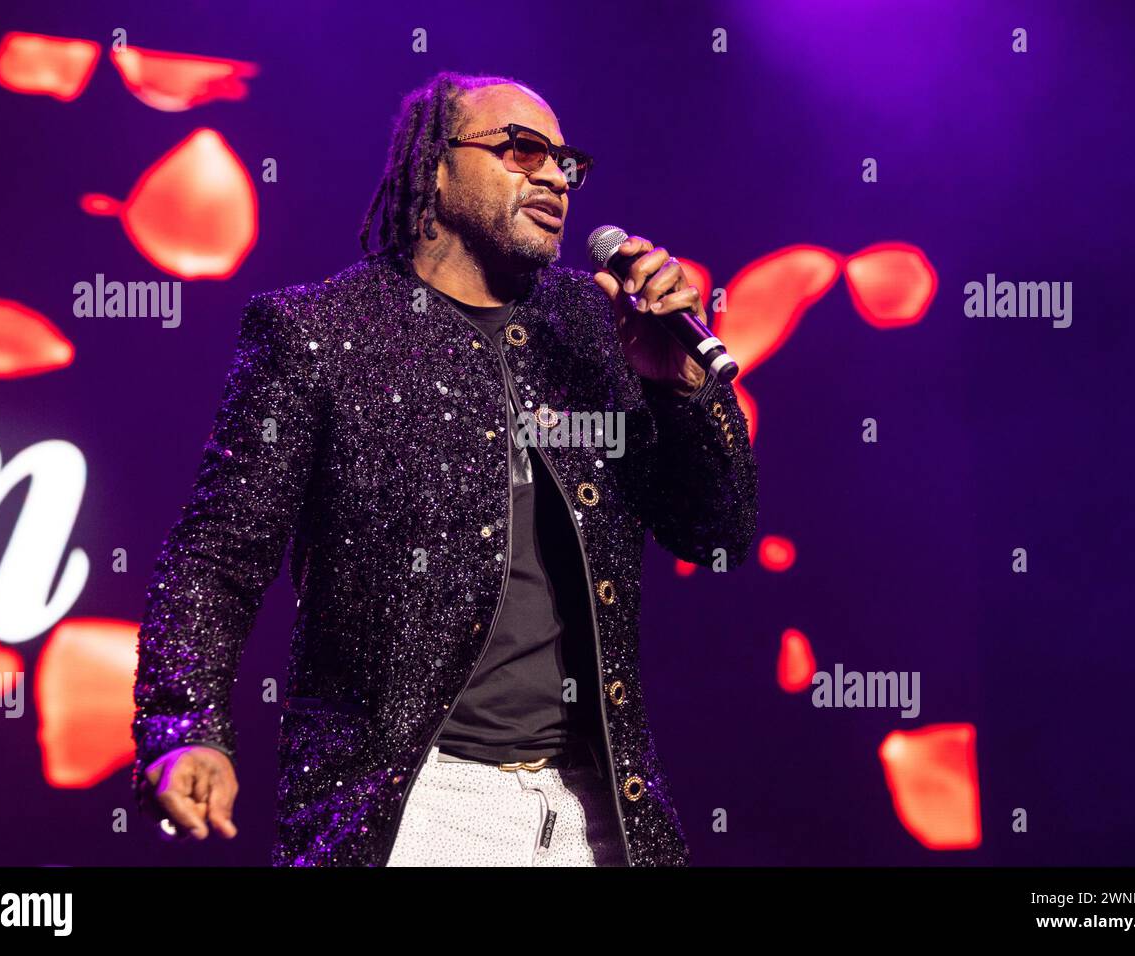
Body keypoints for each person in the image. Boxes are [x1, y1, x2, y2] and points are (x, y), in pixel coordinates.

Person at [132, 70, 759, 866]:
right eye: (522, 150)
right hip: (422, 805)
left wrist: (683, 390)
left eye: (566, 163)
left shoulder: (594, 326)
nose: (554, 177)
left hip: (597, 810)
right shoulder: (321, 332)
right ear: (434, 166)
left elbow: (717, 535)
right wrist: (183, 726)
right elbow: (219, 555)